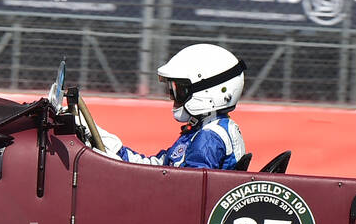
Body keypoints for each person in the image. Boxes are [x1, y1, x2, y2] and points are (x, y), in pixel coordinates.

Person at [97, 44, 246, 169]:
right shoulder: (204, 128)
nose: (171, 96)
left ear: (210, 91)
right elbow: (160, 166)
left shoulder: (208, 137)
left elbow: (187, 191)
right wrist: (112, 148)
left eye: (179, 90)